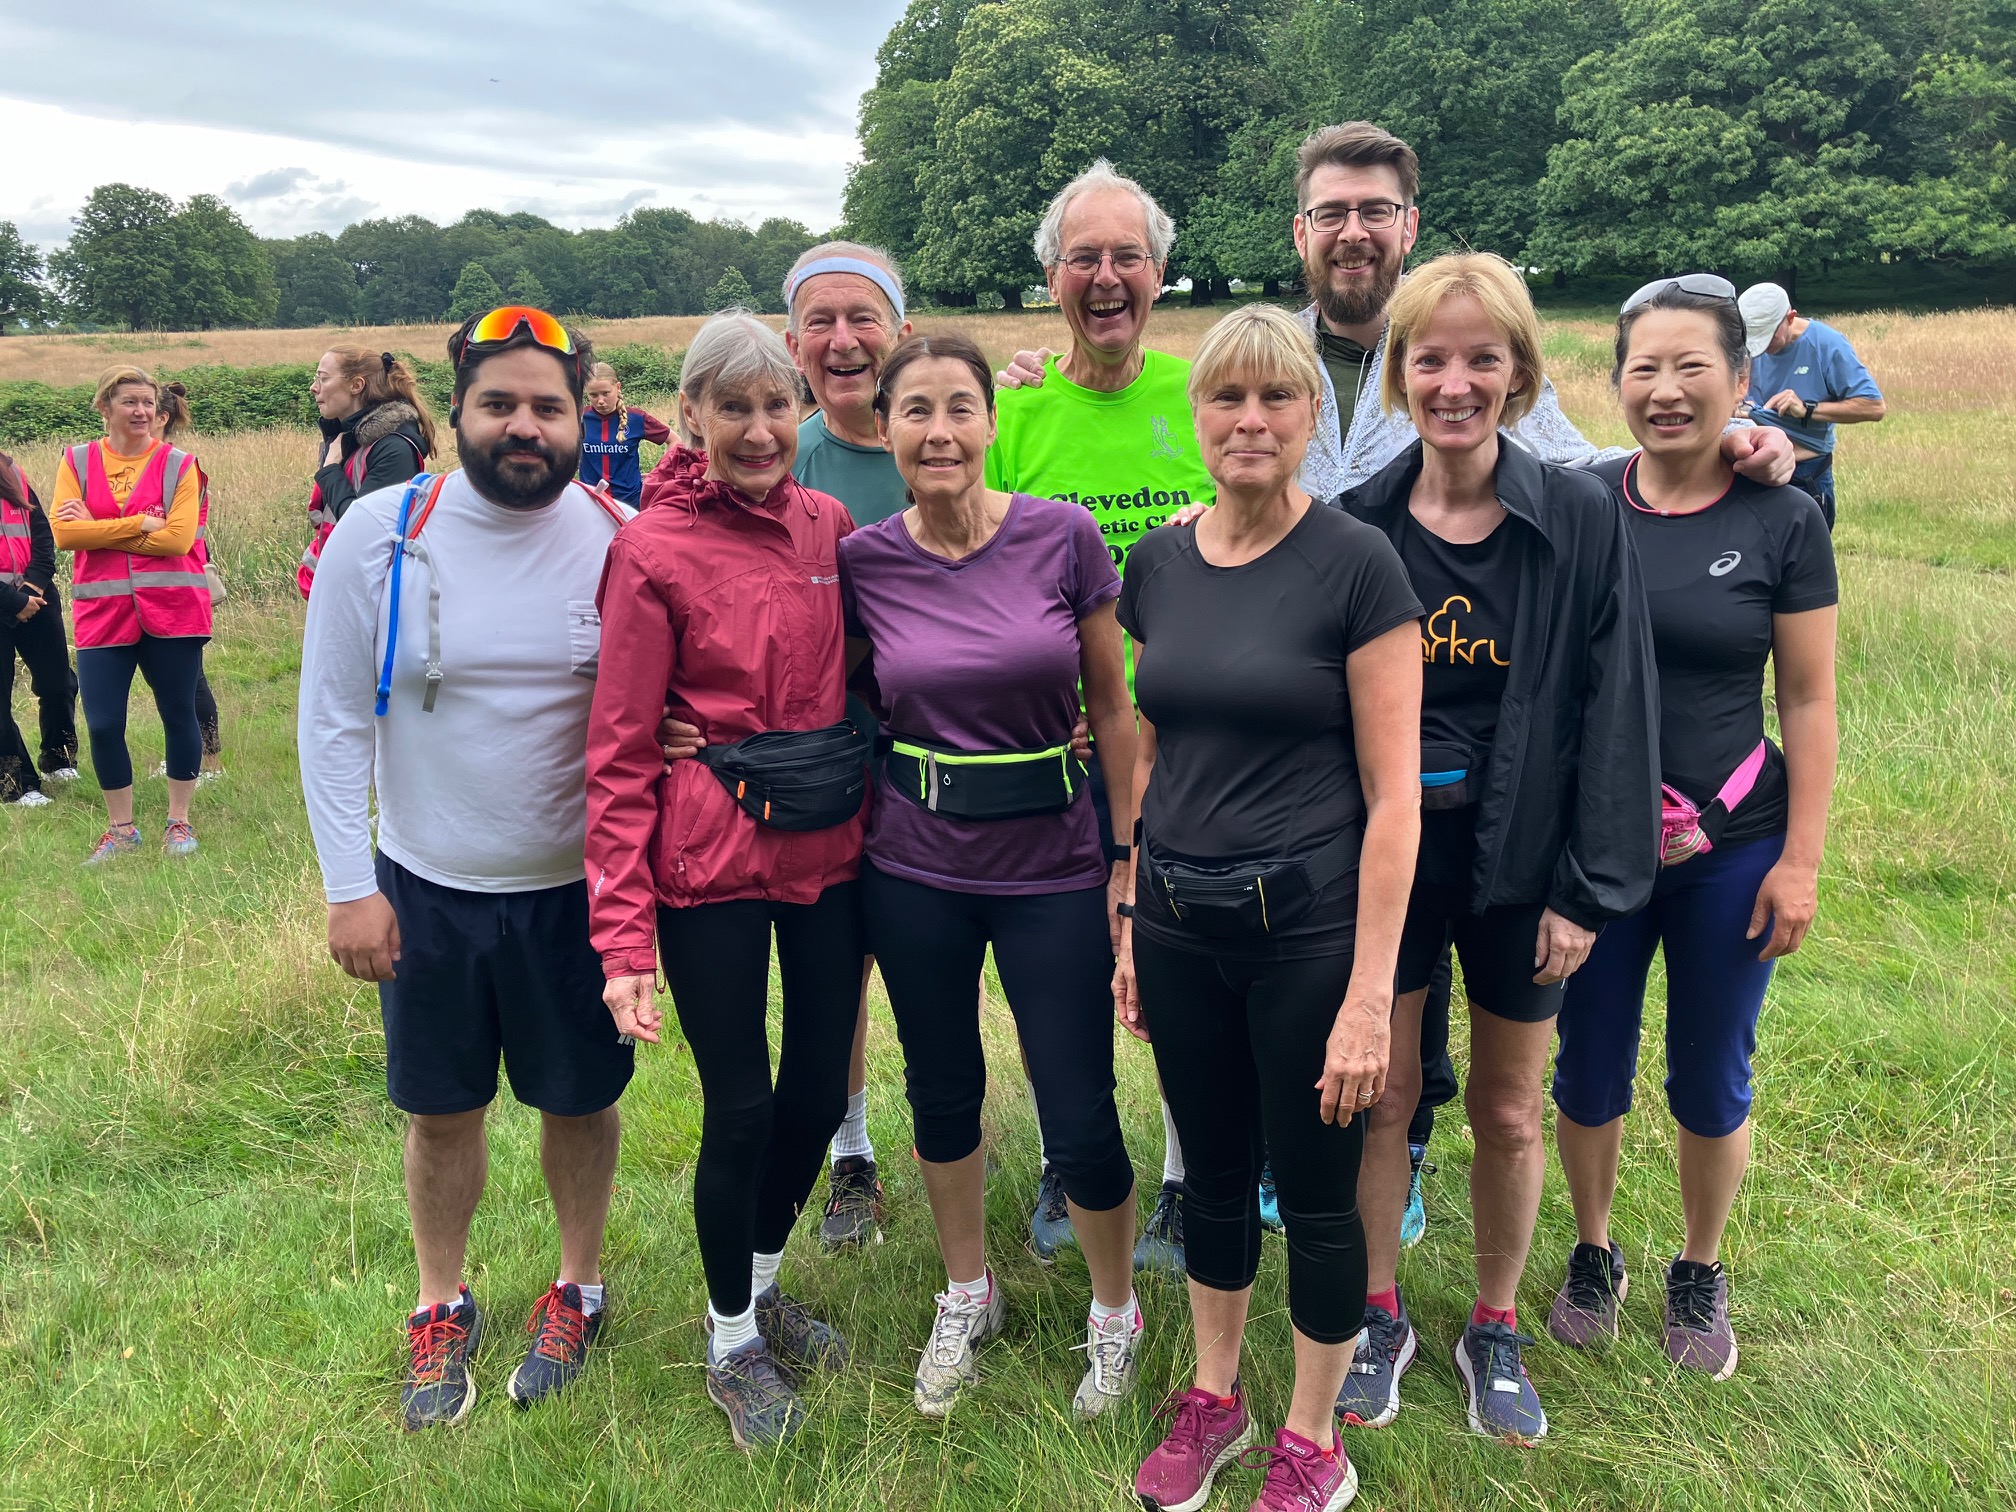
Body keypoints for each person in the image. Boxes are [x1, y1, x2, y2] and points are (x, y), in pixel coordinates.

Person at [1328, 255, 1660, 1448]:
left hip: (1527, 864)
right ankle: (1376, 1318)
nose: (1455, 382)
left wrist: (1590, 888)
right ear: (1398, 374)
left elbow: (1620, 708)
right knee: (1388, 1100)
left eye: (1482, 358)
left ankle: (1495, 1322)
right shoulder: (1357, 527)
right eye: (1430, 358)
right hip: (1392, 863)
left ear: (1520, 375)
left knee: (1513, 1111)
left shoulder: (1578, 519)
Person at [299, 306, 635, 1430]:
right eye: (499, 404)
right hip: (427, 884)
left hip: (577, 892)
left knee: (579, 1100)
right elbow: (334, 715)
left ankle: (577, 1286)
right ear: (458, 413)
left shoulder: (622, 534)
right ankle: (440, 1302)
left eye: (546, 404)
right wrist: (352, 885)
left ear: (580, 412)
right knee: (442, 1112)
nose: (524, 425)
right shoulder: (384, 533)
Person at [1117, 304, 1420, 1512]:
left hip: (1306, 931)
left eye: (1275, 399)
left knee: (1314, 1185)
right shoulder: (1161, 561)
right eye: (1225, 399)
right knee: (1210, 1171)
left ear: (1310, 417)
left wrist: (1366, 1001)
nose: (1248, 420)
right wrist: (1132, 918)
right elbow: (1148, 748)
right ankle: (1215, 1396)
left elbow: (1397, 799)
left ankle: (1313, 1440)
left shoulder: (1356, 564)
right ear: (1194, 416)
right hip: (1184, 927)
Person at [840, 333, 1144, 1420]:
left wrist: (1126, 856)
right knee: (941, 1089)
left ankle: (1116, 1312)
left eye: (960, 408)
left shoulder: (1062, 538)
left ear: (989, 423)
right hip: (916, 863)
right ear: (886, 432)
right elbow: (831, 698)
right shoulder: (863, 559)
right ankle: (969, 1289)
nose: (940, 432)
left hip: (1054, 862)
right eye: (915, 411)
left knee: (1079, 1102)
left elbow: (1112, 708)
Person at [1548, 275, 1838, 1380]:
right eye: (1644, 370)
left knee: (1712, 1071)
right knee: (1588, 1065)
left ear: (1742, 380)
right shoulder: (1578, 503)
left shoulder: (1783, 516)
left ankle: (1700, 1266)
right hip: (1599, 851)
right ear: (1615, 382)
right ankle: (1591, 1250)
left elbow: (1808, 700)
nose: (1666, 393)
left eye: (1692, 370)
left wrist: (1800, 862)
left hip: (1735, 849)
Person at [591, 311, 862, 1451]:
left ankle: (757, 1281)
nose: (759, 430)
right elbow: (616, 750)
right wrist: (622, 943)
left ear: (800, 409)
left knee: (818, 1096)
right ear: (689, 415)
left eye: (776, 405)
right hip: (709, 868)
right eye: (733, 408)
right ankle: (729, 1342)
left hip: (828, 856)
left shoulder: (829, 524)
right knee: (741, 1104)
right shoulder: (650, 550)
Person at [986, 157, 1211, 1274]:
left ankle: (1181, 1177)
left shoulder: (1202, 395)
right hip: (1051, 749)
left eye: (1129, 255)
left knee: (1171, 963)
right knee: (1060, 972)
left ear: (1161, 274)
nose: (1108, 275)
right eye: (1085, 256)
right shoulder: (1013, 409)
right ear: (1051, 276)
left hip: (1188, 742)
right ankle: (1073, 1159)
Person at [784, 239, 913, 1252]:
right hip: (825, 766)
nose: (843, 340)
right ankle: (853, 1157)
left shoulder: (961, 433)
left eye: (863, 317)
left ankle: (1056, 1156)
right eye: (820, 322)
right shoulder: (775, 461)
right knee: (839, 968)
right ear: (793, 345)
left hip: (952, 760)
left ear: (899, 332)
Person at [49, 366, 212, 863]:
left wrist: (97, 525)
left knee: (178, 714)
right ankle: (121, 830)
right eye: (129, 403)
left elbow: (178, 539)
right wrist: (140, 523)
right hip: (102, 613)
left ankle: (178, 823)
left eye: (147, 402)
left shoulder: (180, 464)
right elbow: (64, 535)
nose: (141, 412)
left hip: (175, 611)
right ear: (104, 408)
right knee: (101, 724)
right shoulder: (76, 461)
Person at [1736, 282, 1885, 528]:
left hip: (1805, 474)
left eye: (1769, 337)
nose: (1760, 348)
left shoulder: (1827, 344)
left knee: (1806, 561)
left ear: (1790, 317)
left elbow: (1873, 407)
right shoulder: (1748, 345)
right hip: (1754, 471)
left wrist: (1808, 409)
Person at [299, 346, 436, 598]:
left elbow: (363, 530)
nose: (314, 387)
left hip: (371, 597)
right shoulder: (348, 439)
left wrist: (330, 471)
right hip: (343, 589)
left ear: (356, 385)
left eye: (323, 378)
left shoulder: (394, 448)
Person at [150, 383, 223, 779]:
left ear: (162, 419)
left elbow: (174, 530)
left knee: (190, 680)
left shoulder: (180, 466)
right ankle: (192, 757)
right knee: (176, 682)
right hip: (158, 582)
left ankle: (209, 763)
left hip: (179, 582)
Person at [0, 452, 78, 805]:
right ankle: (17, 786)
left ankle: (58, 757)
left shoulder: (10, 469)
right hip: (8, 602)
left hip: (36, 597)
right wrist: (14, 601)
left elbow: (42, 532)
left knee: (58, 682)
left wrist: (34, 586)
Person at [578, 362, 671, 504]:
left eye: (605, 393)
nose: (600, 401)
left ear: (618, 387)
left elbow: (674, 440)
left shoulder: (636, 418)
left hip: (630, 502)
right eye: (593, 395)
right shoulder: (579, 418)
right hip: (591, 502)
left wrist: (659, 474)